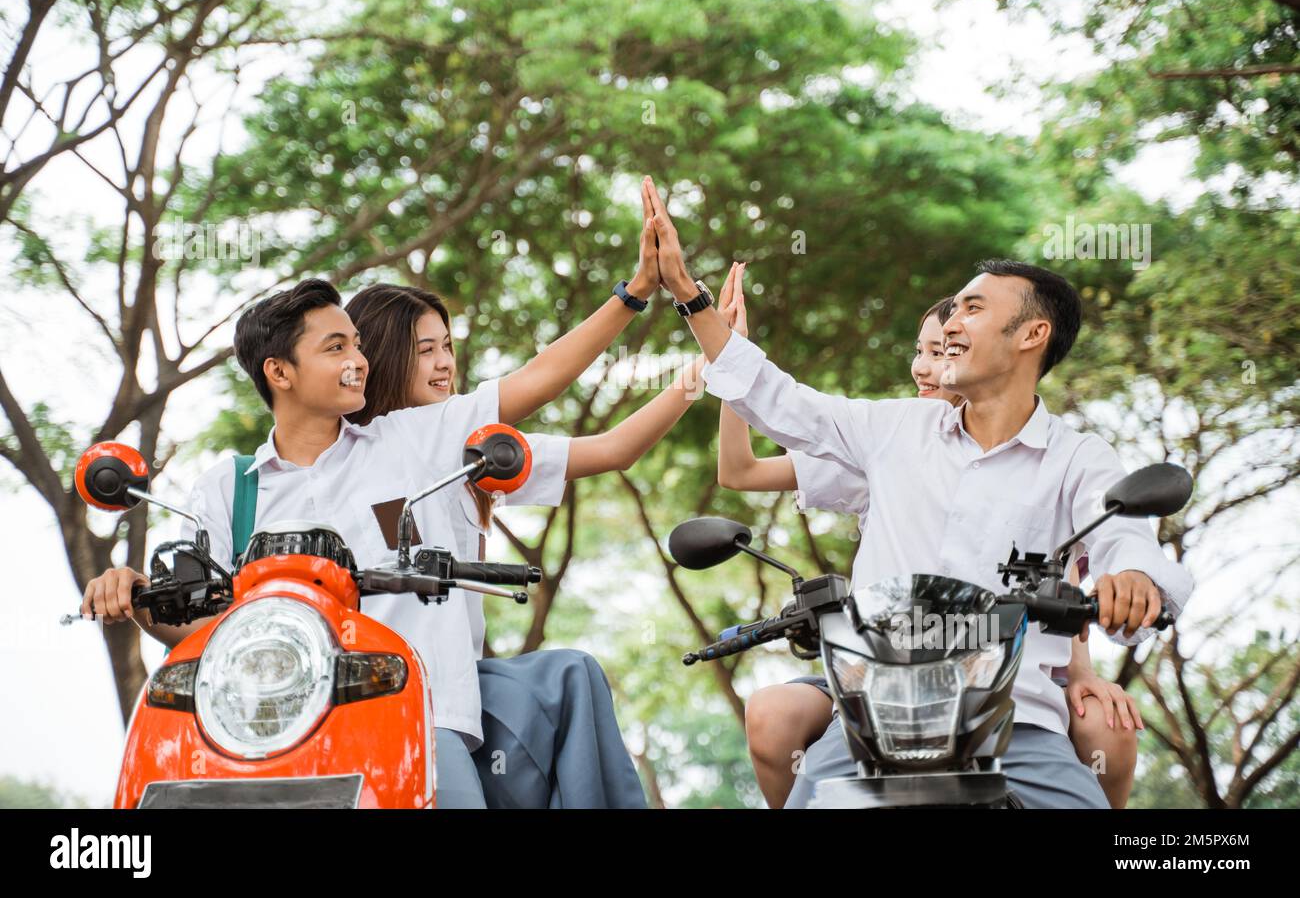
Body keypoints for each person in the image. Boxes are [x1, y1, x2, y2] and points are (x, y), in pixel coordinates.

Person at [78, 179, 679, 807]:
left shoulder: (413, 440)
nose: (357, 359)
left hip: (415, 717)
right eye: (336, 347)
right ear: (278, 372)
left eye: (358, 345)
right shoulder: (228, 488)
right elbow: (201, 630)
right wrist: (135, 596)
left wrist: (635, 293)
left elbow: (536, 382)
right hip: (272, 737)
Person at [644, 176, 1191, 808]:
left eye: (973, 309)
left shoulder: (1079, 457)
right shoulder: (894, 428)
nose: (951, 322)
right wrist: (689, 296)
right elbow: (782, 402)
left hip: (1019, 727)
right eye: (952, 309)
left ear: (1031, 335)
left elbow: (1122, 529)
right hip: (869, 719)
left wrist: (1133, 578)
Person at [716, 270, 1142, 808]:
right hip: (881, 685)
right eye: (925, 348)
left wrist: (1084, 662)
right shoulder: (888, 437)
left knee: (1105, 732)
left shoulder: (1069, 459)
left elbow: (1072, 567)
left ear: (1022, 340)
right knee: (781, 724)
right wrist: (730, 356)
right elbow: (755, 452)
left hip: (1009, 696)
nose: (927, 364)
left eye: (945, 345)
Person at [341, 262, 743, 807]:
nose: (442, 364)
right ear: (385, 358)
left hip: (454, 695)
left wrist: (709, 366)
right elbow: (539, 377)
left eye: (446, 347)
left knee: (569, 675)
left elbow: (615, 448)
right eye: (423, 350)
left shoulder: (466, 449)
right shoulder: (354, 453)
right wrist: (634, 292)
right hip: (368, 702)